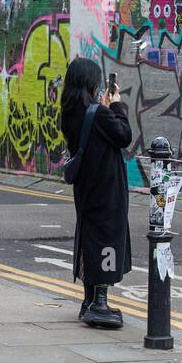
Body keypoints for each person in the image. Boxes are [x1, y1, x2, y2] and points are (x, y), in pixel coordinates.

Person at [60, 58, 132, 328]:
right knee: (107, 241)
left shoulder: (70, 113)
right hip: (106, 188)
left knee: (91, 238)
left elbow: (95, 136)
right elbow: (124, 135)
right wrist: (116, 105)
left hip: (86, 189)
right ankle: (100, 303)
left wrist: (103, 109)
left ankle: (88, 301)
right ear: (90, 82)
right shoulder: (98, 113)